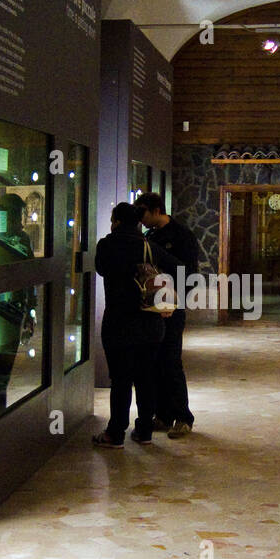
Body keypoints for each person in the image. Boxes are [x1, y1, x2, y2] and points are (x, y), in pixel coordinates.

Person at [93, 202, 181, 448]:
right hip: (150, 323)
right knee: (146, 378)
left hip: (118, 323)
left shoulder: (106, 245)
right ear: (138, 223)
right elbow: (178, 267)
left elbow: (101, 269)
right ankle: (144, 432)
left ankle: (116, 433)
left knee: (120, 379)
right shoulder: (149, 247)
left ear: (117, 221)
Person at [134, 192, 200, 438]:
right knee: (155, 363)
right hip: (151, 311)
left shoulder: (182, 236)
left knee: (171, 362)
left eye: (144, 213)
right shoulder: (149, 236)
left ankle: (183, 417)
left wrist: (172, 302)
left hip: (172, 310)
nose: (141, 219)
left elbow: (189, 275)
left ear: (156, 210)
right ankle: (162, 415)